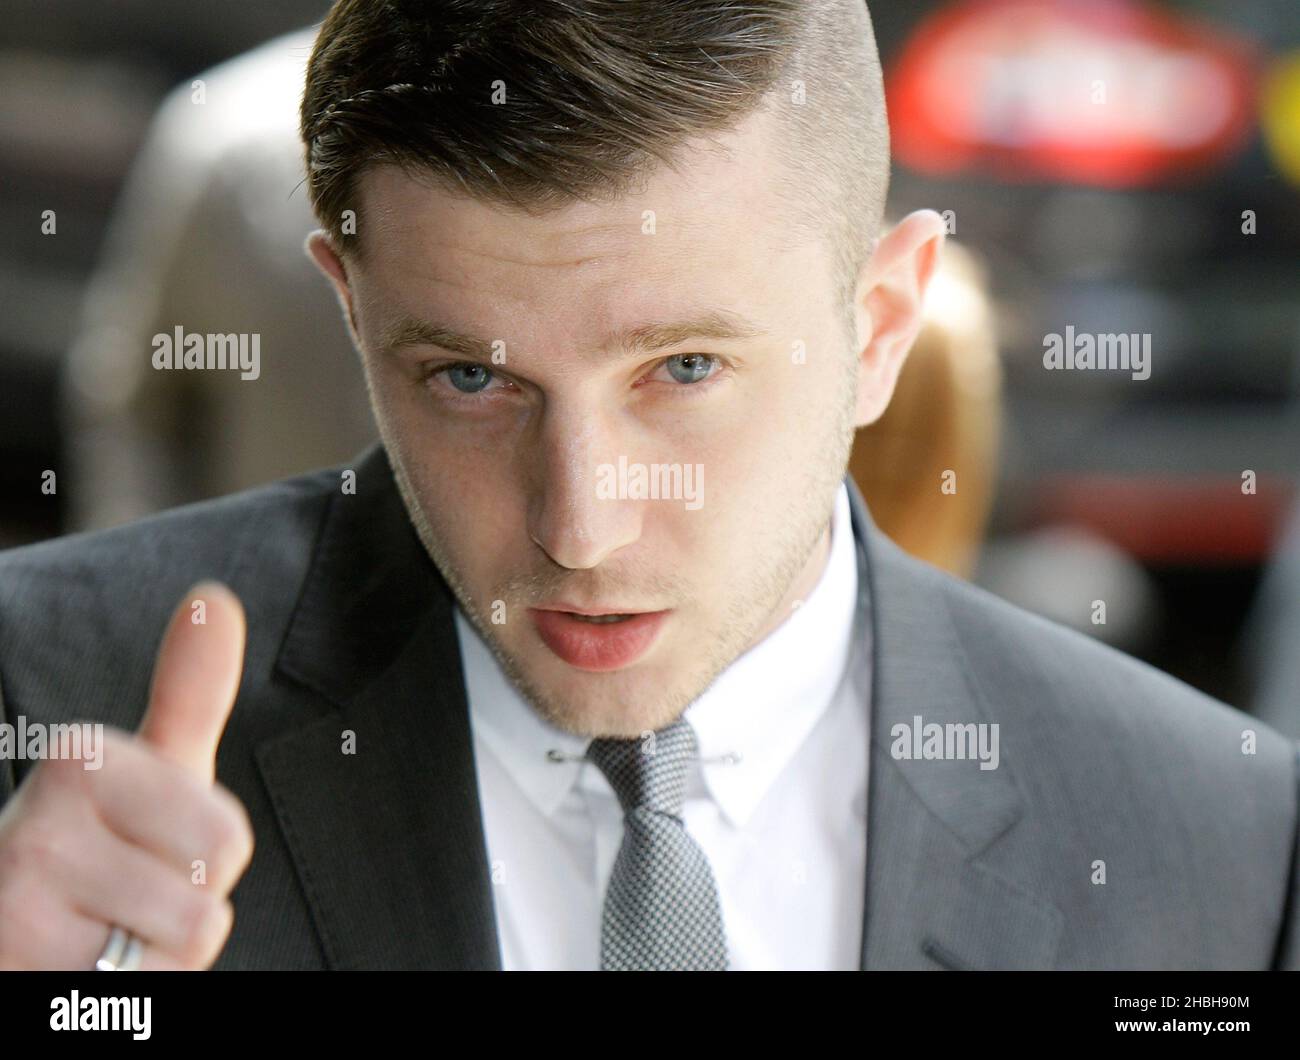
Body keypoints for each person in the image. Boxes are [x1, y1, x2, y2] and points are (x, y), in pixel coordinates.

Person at [0, 0, 1296, 971]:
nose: (580, 528)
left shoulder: (1226, 849)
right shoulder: (40, 712)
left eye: (683, 368)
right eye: (468, 379)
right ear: (352, 313)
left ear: (881, 328)